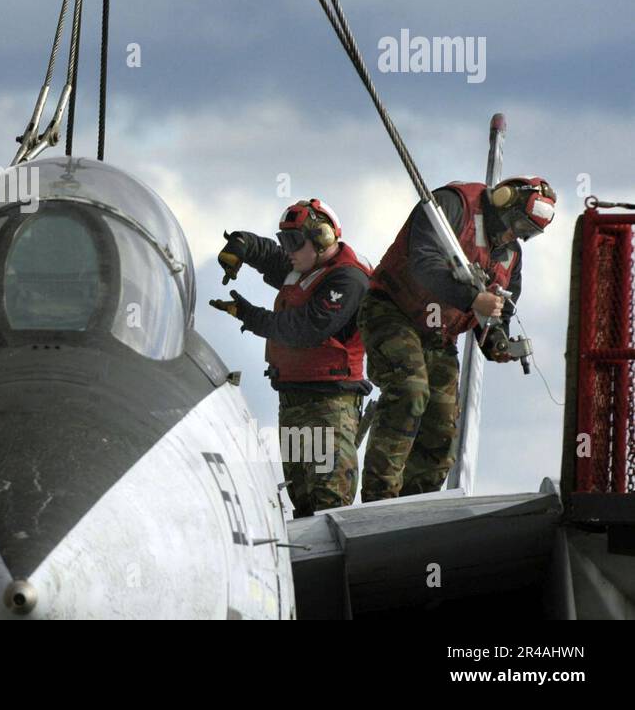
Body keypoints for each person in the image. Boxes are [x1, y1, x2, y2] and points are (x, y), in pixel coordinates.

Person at [360, 177, 556, 500]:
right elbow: (424, 263)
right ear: (504, 201)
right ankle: (378, 500)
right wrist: (471, 298)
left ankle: (413, 506)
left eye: (527, 233)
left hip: (439, 336)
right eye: (517, 224)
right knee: (410, 391)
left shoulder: (510, 257)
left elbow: (498, 316)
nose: (515, 235)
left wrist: (497, 341)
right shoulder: (452, 206)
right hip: (392, 311)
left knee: (442, 429)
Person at [209, 199, 372, 516]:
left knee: (329, 504)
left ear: (323, 237)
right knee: (303, 500)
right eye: (285, 240)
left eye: (294, 242)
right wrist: (243, 244)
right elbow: (270, 256)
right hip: (294, 401)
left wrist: (249, 315)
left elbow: (306, 329)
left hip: (330, 406)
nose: (288, 250)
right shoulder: (304, 267)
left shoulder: (348, 280)